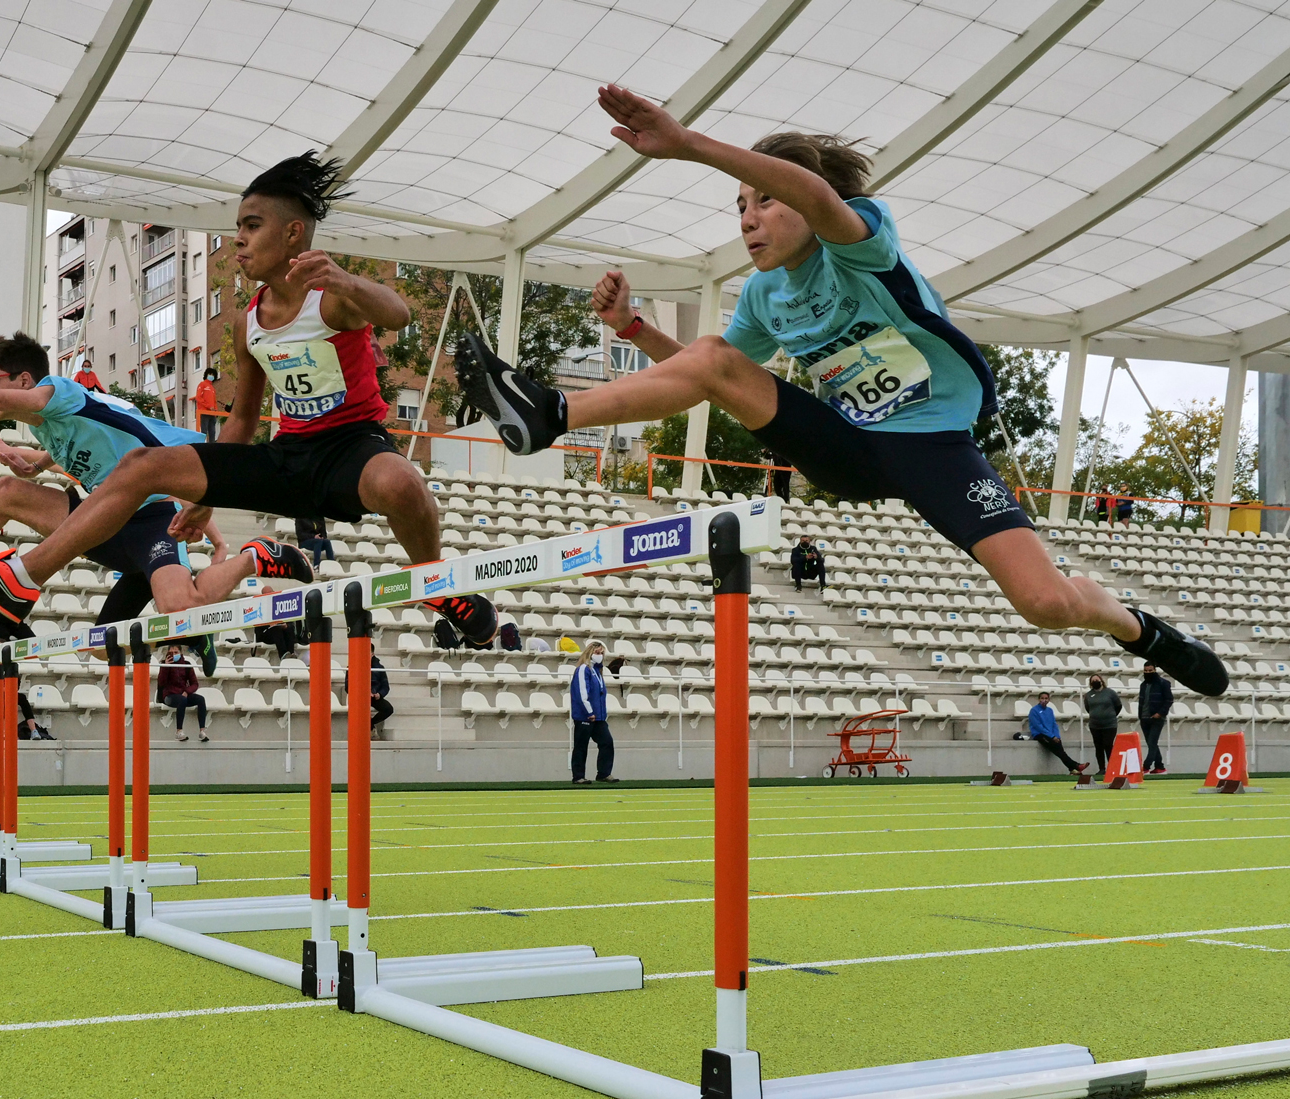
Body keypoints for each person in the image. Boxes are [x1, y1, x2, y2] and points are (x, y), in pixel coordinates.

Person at [453, 85, 1225, 698]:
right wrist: (633, 329)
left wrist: (687, 144)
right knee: (720, 354)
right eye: (741, 209)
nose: (750, 221)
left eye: (763, 200)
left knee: (1046, 603)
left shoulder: (859, 242)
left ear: (807, 198)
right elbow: (707, 371)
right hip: (847, 448)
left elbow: (820, 202)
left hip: (932, 446)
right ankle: (550, 412)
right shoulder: (766, 297)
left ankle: (1141, 629)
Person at [0, 153, 496, 647]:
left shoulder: (332, 300)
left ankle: (434, 580)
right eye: (237, 227)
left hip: (351, 449)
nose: (240, 239)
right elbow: (245, 415)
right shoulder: (250, 322)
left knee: (401, 482)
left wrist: (347, 280)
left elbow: (396, 315)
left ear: (293, 235)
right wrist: (207, 496)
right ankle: (22, 580)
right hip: (286, 455)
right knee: (141, 466)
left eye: (252, 226)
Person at [0, 333, 311, 651]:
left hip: (151, 519)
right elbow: (52, 460)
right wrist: (23, 461)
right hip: (102, 521)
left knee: (180, 612)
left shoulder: (60, 393)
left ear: (25, 380)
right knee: (6, 491)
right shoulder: (49, 426)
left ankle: (255, 557)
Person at [569, 641, 615, 784]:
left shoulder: (597, 671)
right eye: (597, 653)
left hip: (599, 717)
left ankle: (603, 773)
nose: (600, 656)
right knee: (581, 746)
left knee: (607, 742)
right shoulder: (584, 669)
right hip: (586, 715)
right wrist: (589, 711)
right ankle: (578, 776)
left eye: (601, 653)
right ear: (590, 653)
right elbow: (583, 692)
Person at [1015, 691, 1086, 775]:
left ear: (1049, 700)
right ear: (1038, 699)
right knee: (1059, 750)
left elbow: (1054, 724)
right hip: (1040, 734)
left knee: (1060, 750)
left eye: (1046, 698)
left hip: (1051, 735)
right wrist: (1052, 736)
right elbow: (1038, 727)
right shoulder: (1034, 711)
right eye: (1042, 698)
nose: (1044, 700)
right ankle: (1076, 766)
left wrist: (1057, 736)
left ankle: (1073, 768)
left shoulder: (1050, 710)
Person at [157, 644, 208, 742]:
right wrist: (166, 667)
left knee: (200, 699)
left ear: (181, 653)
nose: (173, 654)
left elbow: (195, 684)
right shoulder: (164, 664)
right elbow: (161, 682)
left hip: (183, 693)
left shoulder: (186, 665)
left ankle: (202, 731)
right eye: (171, 653)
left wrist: (187, 691)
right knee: (182, 700)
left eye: (176, 652)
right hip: (169, 695)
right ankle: (179, 731)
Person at [1083, 674, 1123, 772]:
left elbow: (1118, 705)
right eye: (1093, 680)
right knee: (1098, 747)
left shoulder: (1110, 693)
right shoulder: (1088, 695)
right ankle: (1102, 768)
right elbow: (1088, 708)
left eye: (1097, 680)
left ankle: (1112, 767)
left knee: (1108, 744)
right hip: (1095, 725)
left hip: (1109, 724)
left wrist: (1110, 715)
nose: (1095, 682)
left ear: (1101, 681)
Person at [1138, 662, 1172, 775]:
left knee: (1152, 742)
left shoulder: (1163, 683)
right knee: (1151, 743)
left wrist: (1160, 713)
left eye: (1150, 670)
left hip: (1156, 718)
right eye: (1146, 670)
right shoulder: (1143, 685)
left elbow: (1169, 700)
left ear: (1155, 670)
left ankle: (1146, 766)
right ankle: (1160, 767)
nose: (1147, 672)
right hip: (1144, 717)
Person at [349, 652, 392, 737]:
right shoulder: (353, 666)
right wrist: (363, 692)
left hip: (374, 697)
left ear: (372, 654)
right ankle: (367, 730)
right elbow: (348, 686)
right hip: (359, 696)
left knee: (388, 709)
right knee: (361, 709)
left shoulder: (380, 668)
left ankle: (370, 723)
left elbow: (385, 686)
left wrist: (379, 694)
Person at [194, 369, 221, 440]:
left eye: (213, 375)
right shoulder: (202, 384)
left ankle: (212, 448)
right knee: (204, 432)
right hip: (204, 412)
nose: (211, 376)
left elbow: (214, 401)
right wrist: (209, 406)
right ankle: (202, 446)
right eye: (210, 374)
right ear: (206, 374)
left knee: (212, 432)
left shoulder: (212, 388)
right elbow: (198, 397)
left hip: (212, 413)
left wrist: (216, 410)